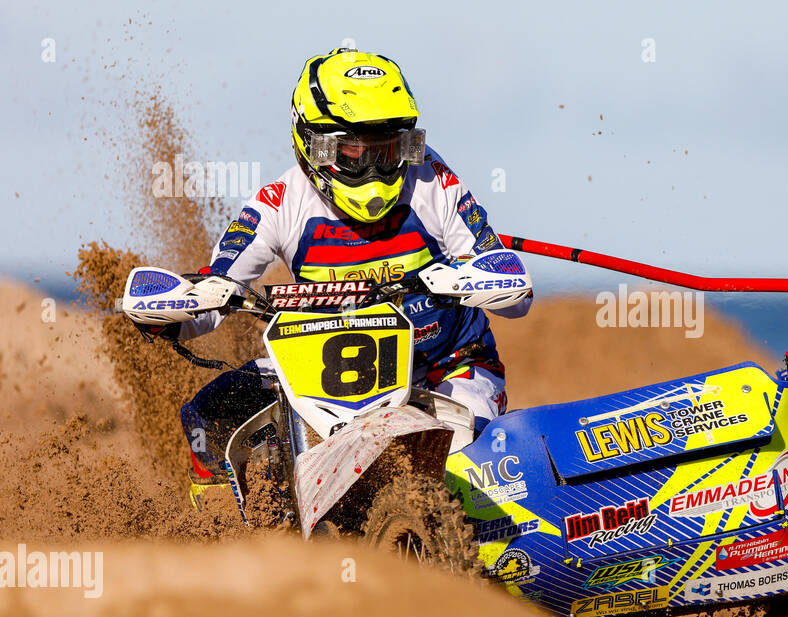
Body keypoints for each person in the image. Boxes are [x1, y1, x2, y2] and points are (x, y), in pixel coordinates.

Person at [138, 48, 532, 505]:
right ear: (315, 144)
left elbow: (510, 286)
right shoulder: (278, 203)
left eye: (387, 151)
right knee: (210, 418)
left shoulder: (433, 181)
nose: (374, 170)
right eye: (354, 152)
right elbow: (215, 290)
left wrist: (471, 279)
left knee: (472, 476)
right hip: (330, 378)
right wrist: (170, 313)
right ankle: (220, 542)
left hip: (446, 368)